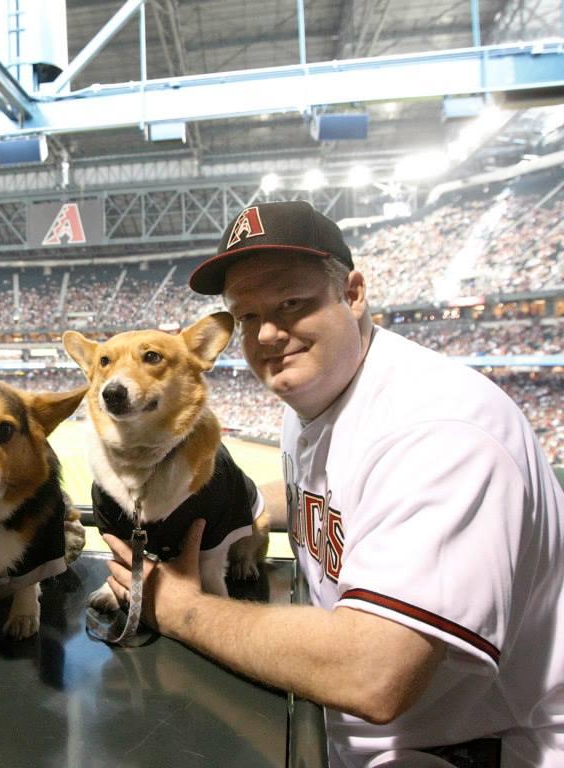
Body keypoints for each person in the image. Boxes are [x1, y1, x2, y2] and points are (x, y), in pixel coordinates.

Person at [102, 201, 564, 767]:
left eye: (292, 304)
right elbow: (327, 503)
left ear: (353, 293)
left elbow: (373, 673)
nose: (268, 333)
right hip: (346, 732)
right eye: (246, 316)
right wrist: (202, 502)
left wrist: (177, 608)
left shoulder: (441, 430)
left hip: (467, 749)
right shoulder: (316, 397)